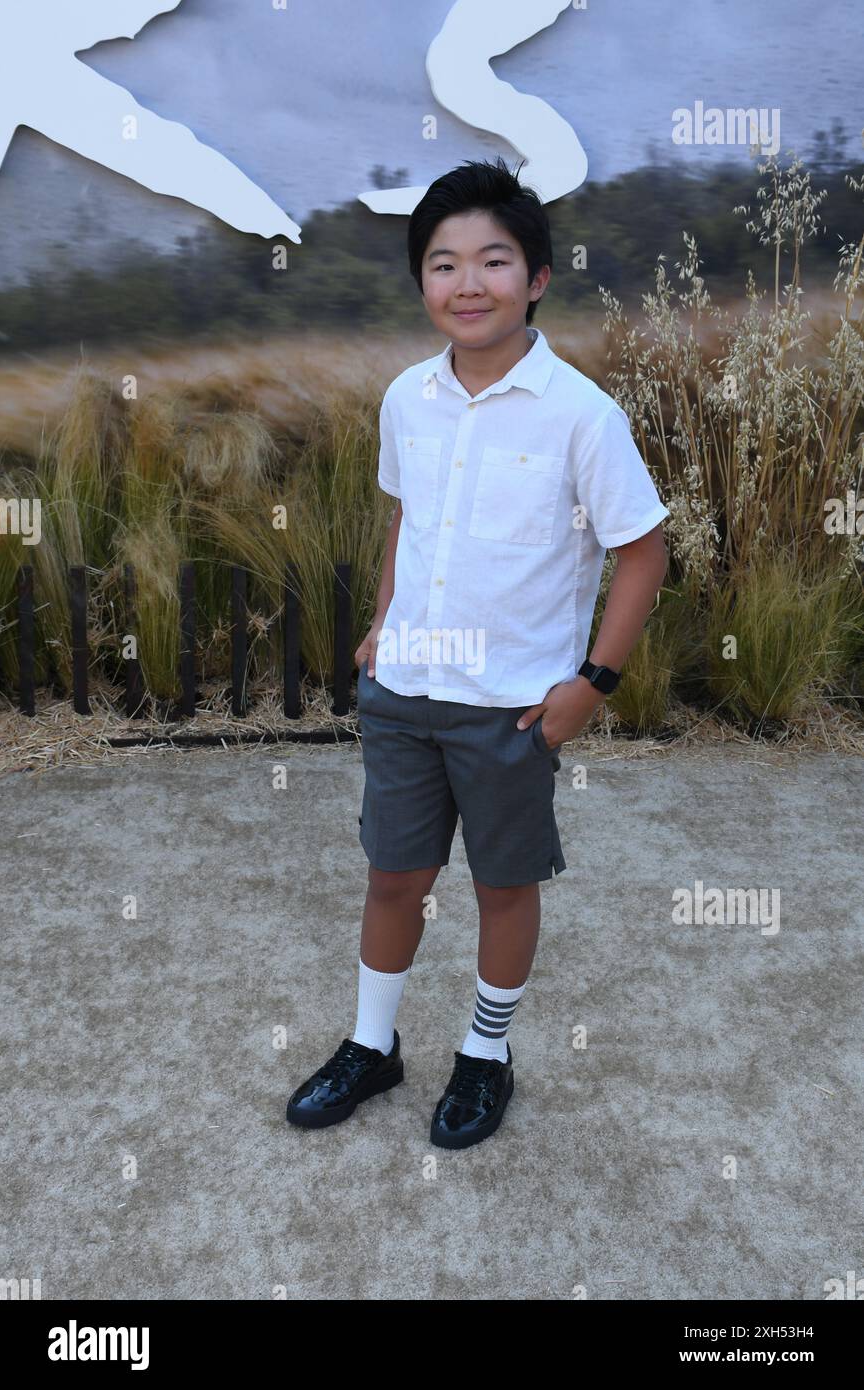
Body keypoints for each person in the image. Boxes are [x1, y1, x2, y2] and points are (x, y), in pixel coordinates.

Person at [287, 155, 669, 1150]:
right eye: (443, 263)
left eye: (493, 261)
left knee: (502, 888)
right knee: (393, 879)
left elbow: (643, 552)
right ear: (422, 281)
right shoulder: (406, 398)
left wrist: (591, 685)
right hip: (403, 693)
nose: (468, 283)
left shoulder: (581, 414)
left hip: (511, 707)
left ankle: (485, 1053)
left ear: (535, 278)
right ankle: (372, 1044)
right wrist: (382, 625)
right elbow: (408, 523)